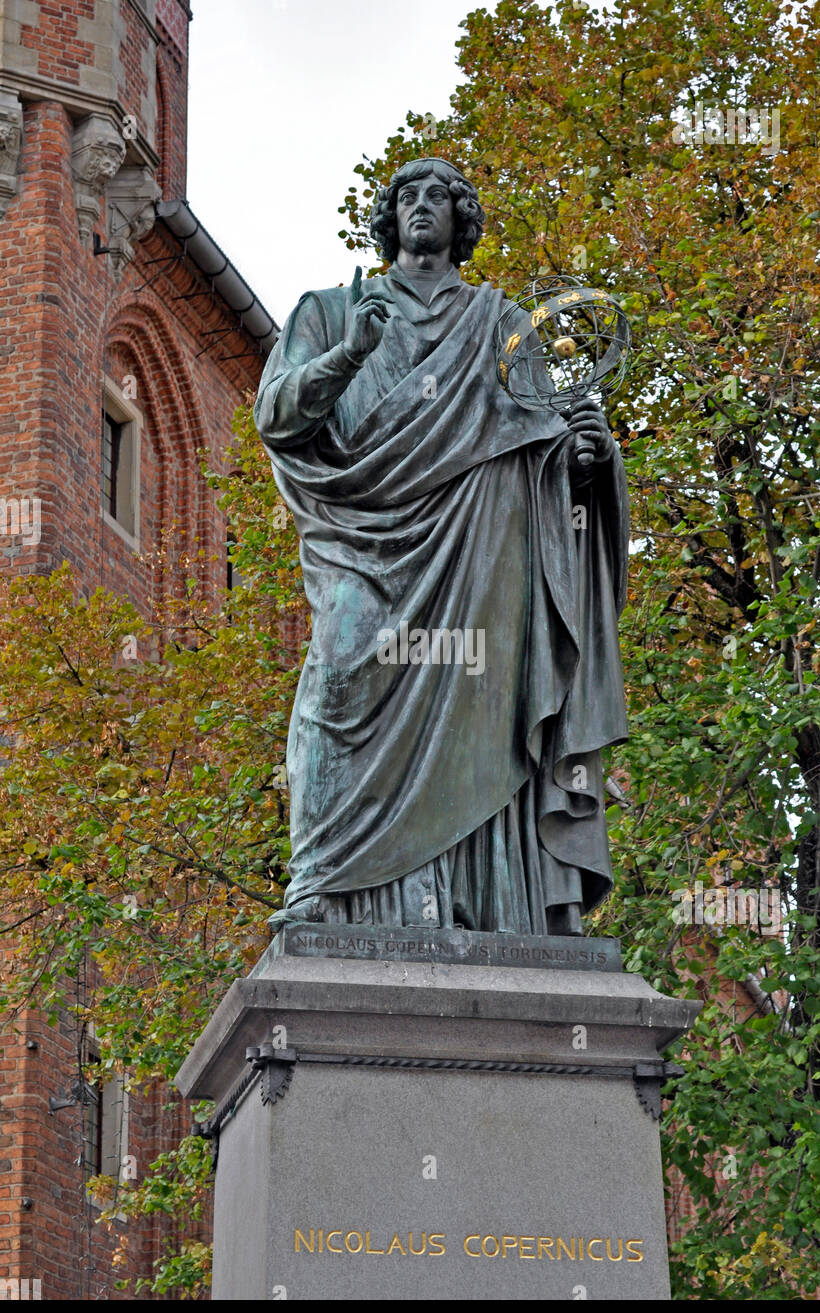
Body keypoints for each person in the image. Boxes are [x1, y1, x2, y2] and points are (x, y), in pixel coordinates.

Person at [254, 157, 629, 936]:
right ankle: (324, 879)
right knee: (337, 674)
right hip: (362, 537)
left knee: (486, 712)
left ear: (460, 222)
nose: (423, 206)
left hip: (481, 543)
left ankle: (492, 903)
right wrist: (350, 352)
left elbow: (540, 447)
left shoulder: (501, 324)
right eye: (408, 196)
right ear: (389, 220)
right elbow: (279, 417)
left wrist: (585, 461)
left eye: (439, 196)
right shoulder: (329, 310)